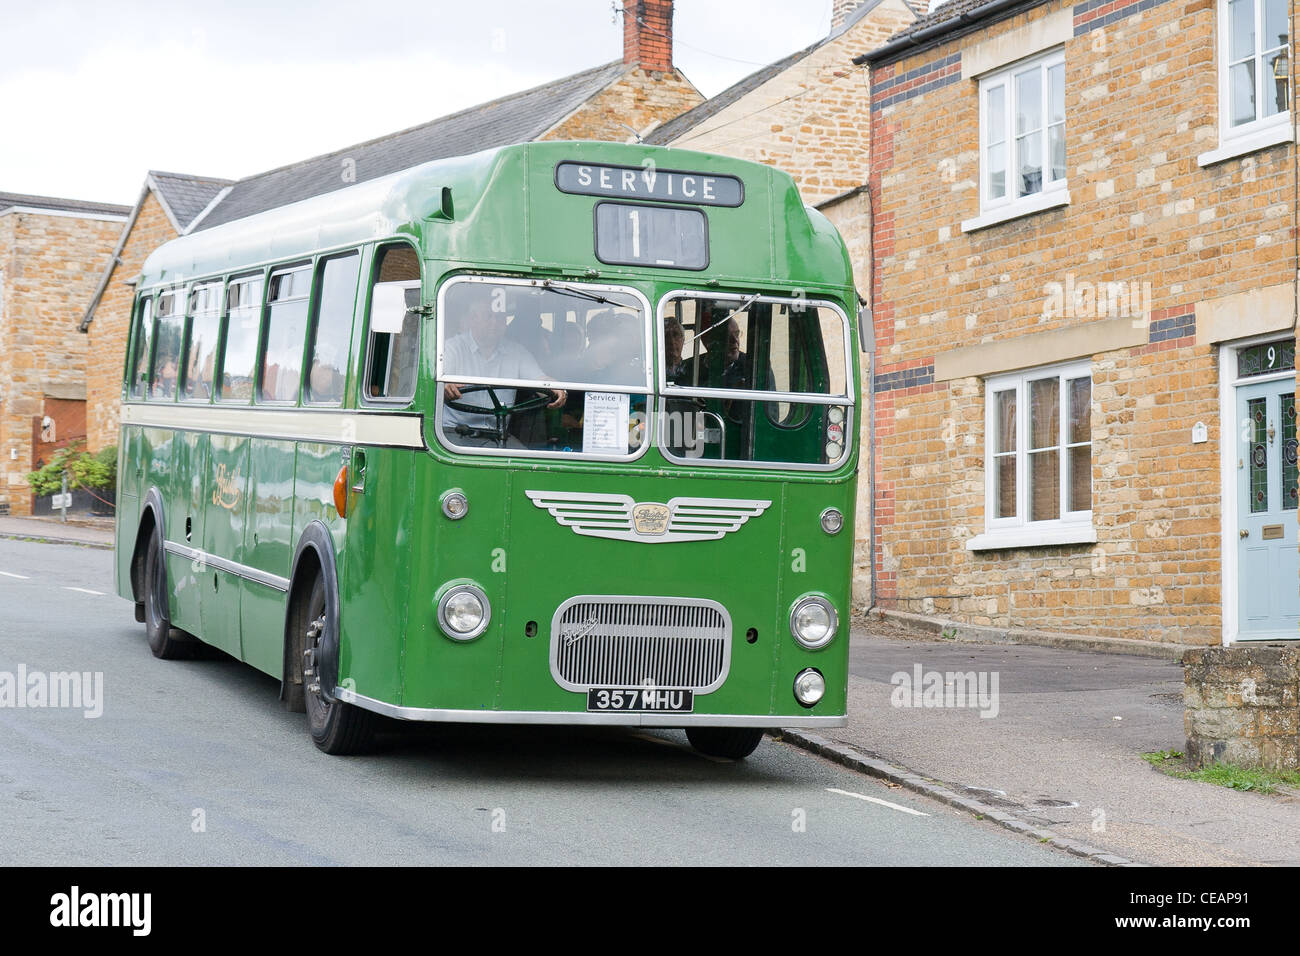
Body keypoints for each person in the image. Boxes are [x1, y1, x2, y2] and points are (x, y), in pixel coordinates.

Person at [442, 291, 566, 447]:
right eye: (489, 316)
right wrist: (446, 387)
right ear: (473, 319)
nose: (494, 323)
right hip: (454, 434)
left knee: (525, 466)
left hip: (498, 435)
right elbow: (441, 381)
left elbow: (540, 380)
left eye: (500, 317)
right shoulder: (453, 348)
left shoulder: (517, 352)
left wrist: (556, 388)